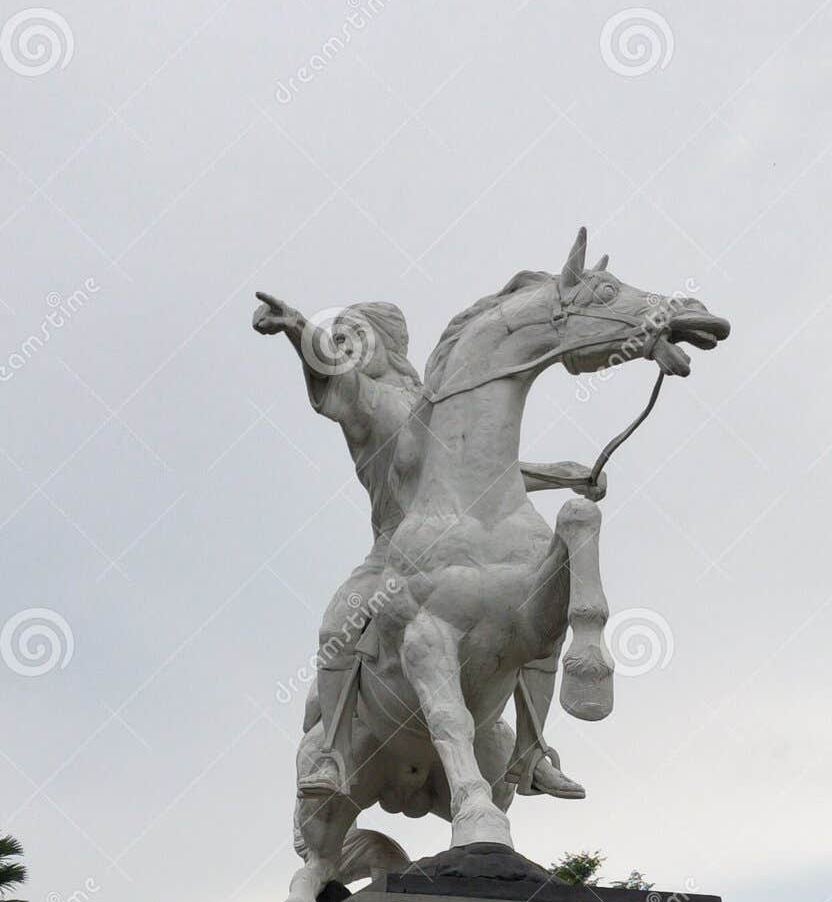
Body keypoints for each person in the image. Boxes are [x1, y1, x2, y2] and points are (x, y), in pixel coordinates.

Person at [253, 291, 593, 799]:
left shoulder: (437, 401)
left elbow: (483, 472)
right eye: (339, 340)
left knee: (533, 616)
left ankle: (532, 750)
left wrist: (563, 475)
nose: (343, 347)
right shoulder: (367, 403)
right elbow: (333, 375)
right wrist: (299, 329)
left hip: (461, 536)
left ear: (383, 344)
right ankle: (333, 755)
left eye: (353, 337)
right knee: (336, 630)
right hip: (396, 549)